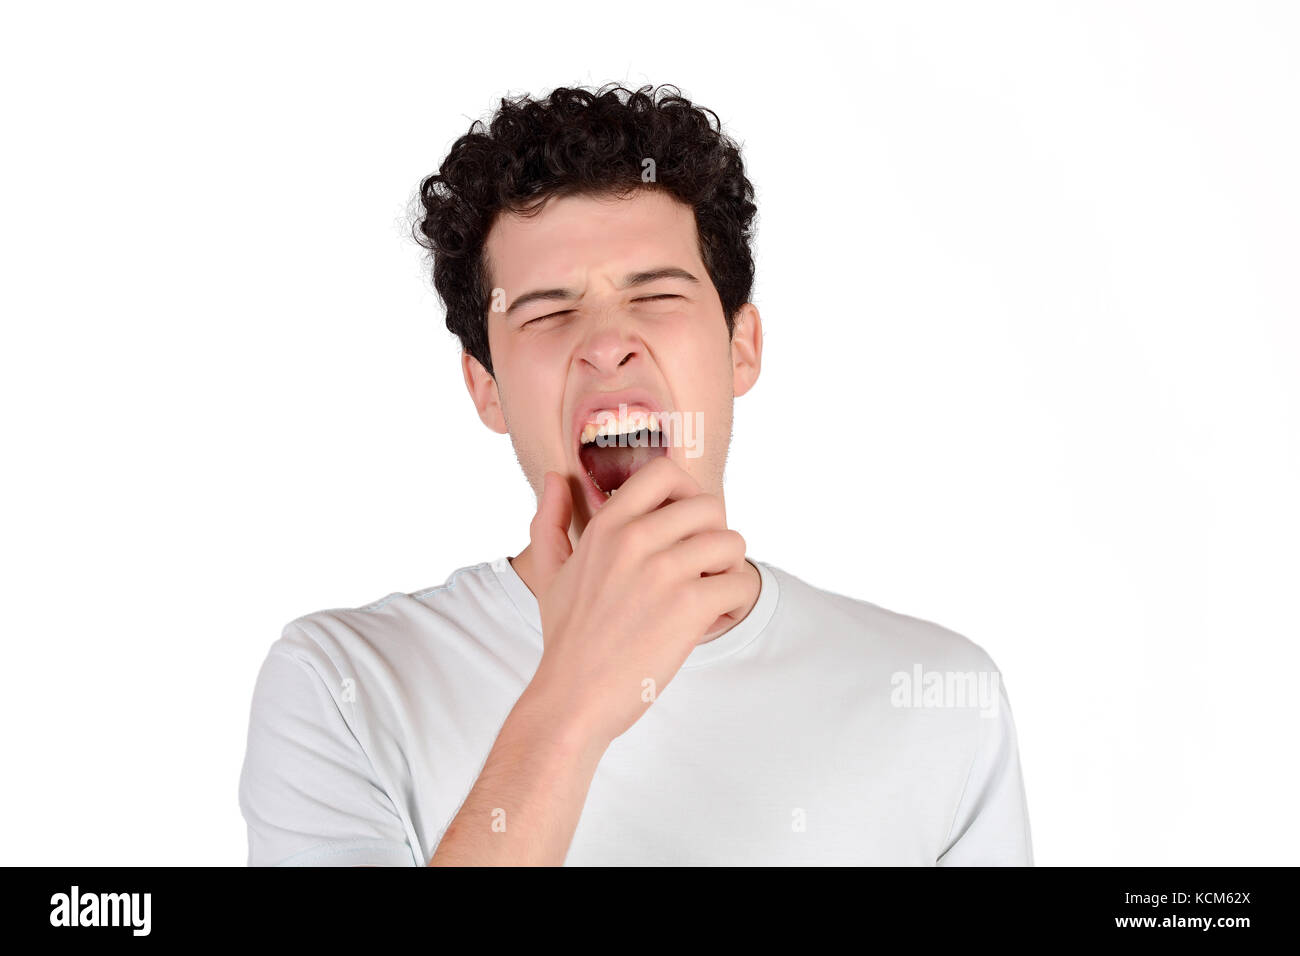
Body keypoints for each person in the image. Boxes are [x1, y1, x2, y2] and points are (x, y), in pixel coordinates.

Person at [238, 83, 1034, 866]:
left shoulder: (938, 696)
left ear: (740, 349)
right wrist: (572, 701)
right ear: (487, 387)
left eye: (655, 294)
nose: (606, 343)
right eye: (549, 312)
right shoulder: (341, 686)